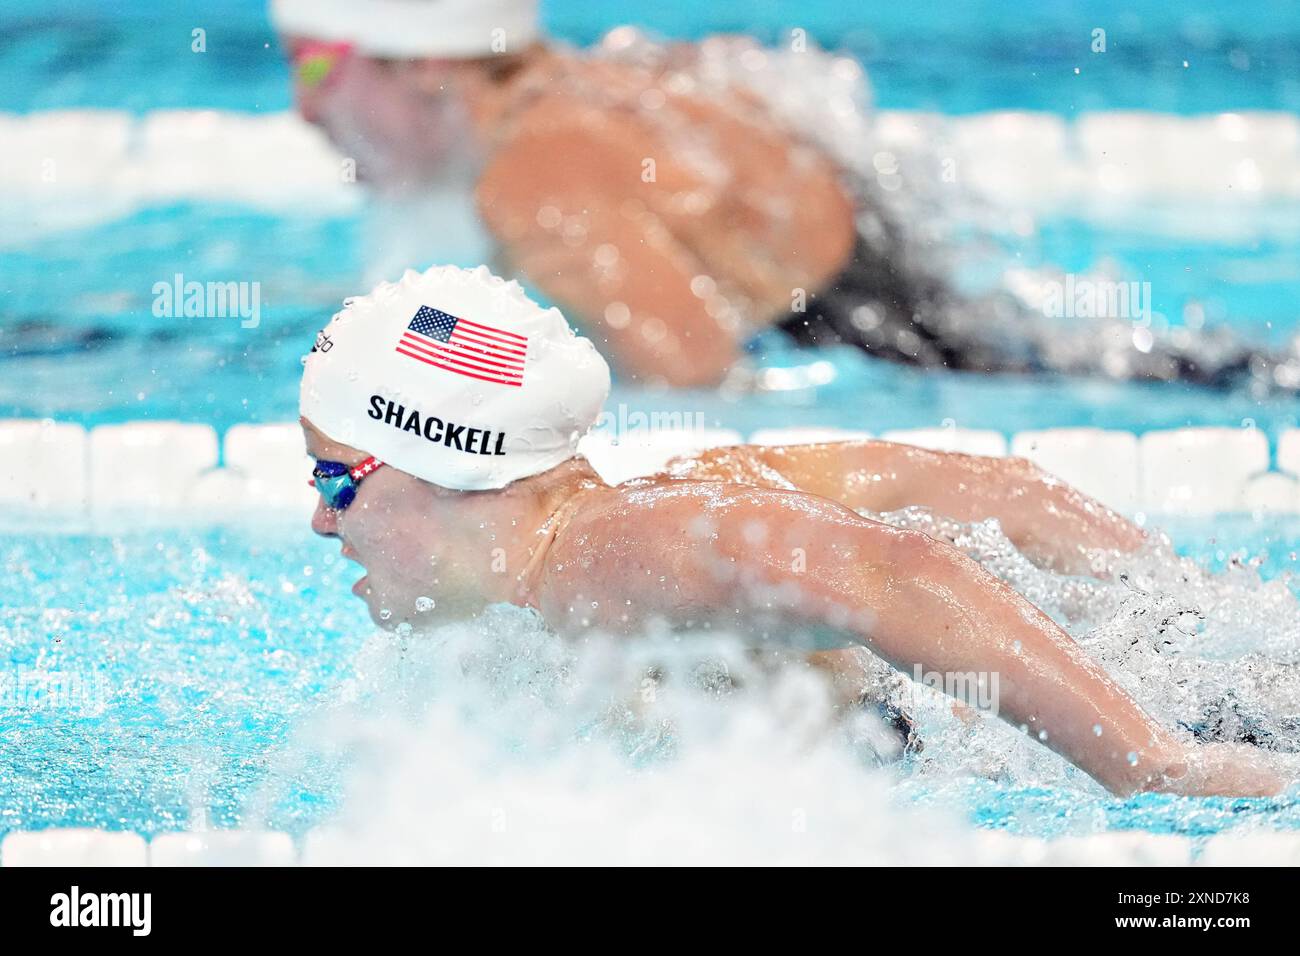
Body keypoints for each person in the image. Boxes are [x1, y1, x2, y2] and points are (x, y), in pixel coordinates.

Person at [298, 262, 1284, 798]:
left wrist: (1157, 760)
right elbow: (982, 484)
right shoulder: (664, 500)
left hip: (1188, 728)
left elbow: (896, 563)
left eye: (335, 478)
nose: (318, 518)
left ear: (449, 462)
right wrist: (1191, 609)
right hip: (1200, 685)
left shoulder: (600, 559)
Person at [271, 0, 1300, 391]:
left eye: (316, 69)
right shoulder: (597, 79)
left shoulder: (533, 186)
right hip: (897, 305)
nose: (301, 111)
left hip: (866, 354)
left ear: (424, 67)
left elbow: (691, 373)